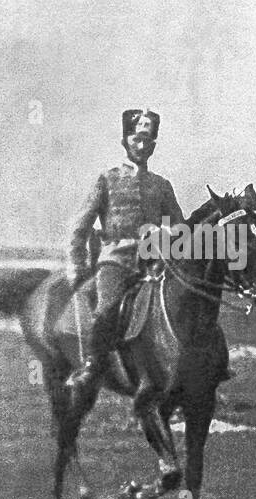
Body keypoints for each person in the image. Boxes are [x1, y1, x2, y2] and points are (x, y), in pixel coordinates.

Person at [67, 108, 184, 395]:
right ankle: (93, 366)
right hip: (115, 262)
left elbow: (181, 229)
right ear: (125, 140)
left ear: (154, 145)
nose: (142, 146)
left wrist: (167, 235)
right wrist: (78, 268)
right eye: (137, 139)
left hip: (155, 262)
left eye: (149, 141)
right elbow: (78, 229)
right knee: (107, 310)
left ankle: (198, 364)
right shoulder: (107, 179)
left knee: (185, 302)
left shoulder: (161, 185)